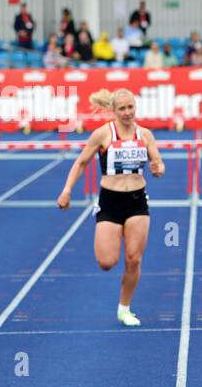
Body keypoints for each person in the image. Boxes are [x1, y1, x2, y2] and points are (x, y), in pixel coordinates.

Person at [56, 88, 165, 327]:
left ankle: (124, 309)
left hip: (137, 201)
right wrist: (67, 190)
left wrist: (158, 169)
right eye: (122, 109)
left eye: (130, 107)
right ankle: (111, 248)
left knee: (134, 259)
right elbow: (81, 162)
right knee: (106, 262)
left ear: (136, 107)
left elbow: (157, 162)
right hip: (109, 201)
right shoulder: (103, 134)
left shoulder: (145, 134)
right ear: (114, 111)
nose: (127, 113)